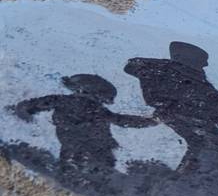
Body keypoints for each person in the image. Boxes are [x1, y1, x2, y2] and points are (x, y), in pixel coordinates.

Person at [124, 42, 218, 175]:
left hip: (171, 116)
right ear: (190, 59)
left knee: (202, 147)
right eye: (202, 62)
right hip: (206, 142)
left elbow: (131, 66)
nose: (206, 66)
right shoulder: (202, 88)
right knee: (212, 150)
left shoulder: (157, 70)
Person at [12, 74, 155, 174]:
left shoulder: (60, 100)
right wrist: (152, 121)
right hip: (98, 154)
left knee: (70, 163)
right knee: (91, 167)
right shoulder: (99, 110)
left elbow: (31, 106)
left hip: (78, 150)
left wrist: (20, 110)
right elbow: (123, 120)